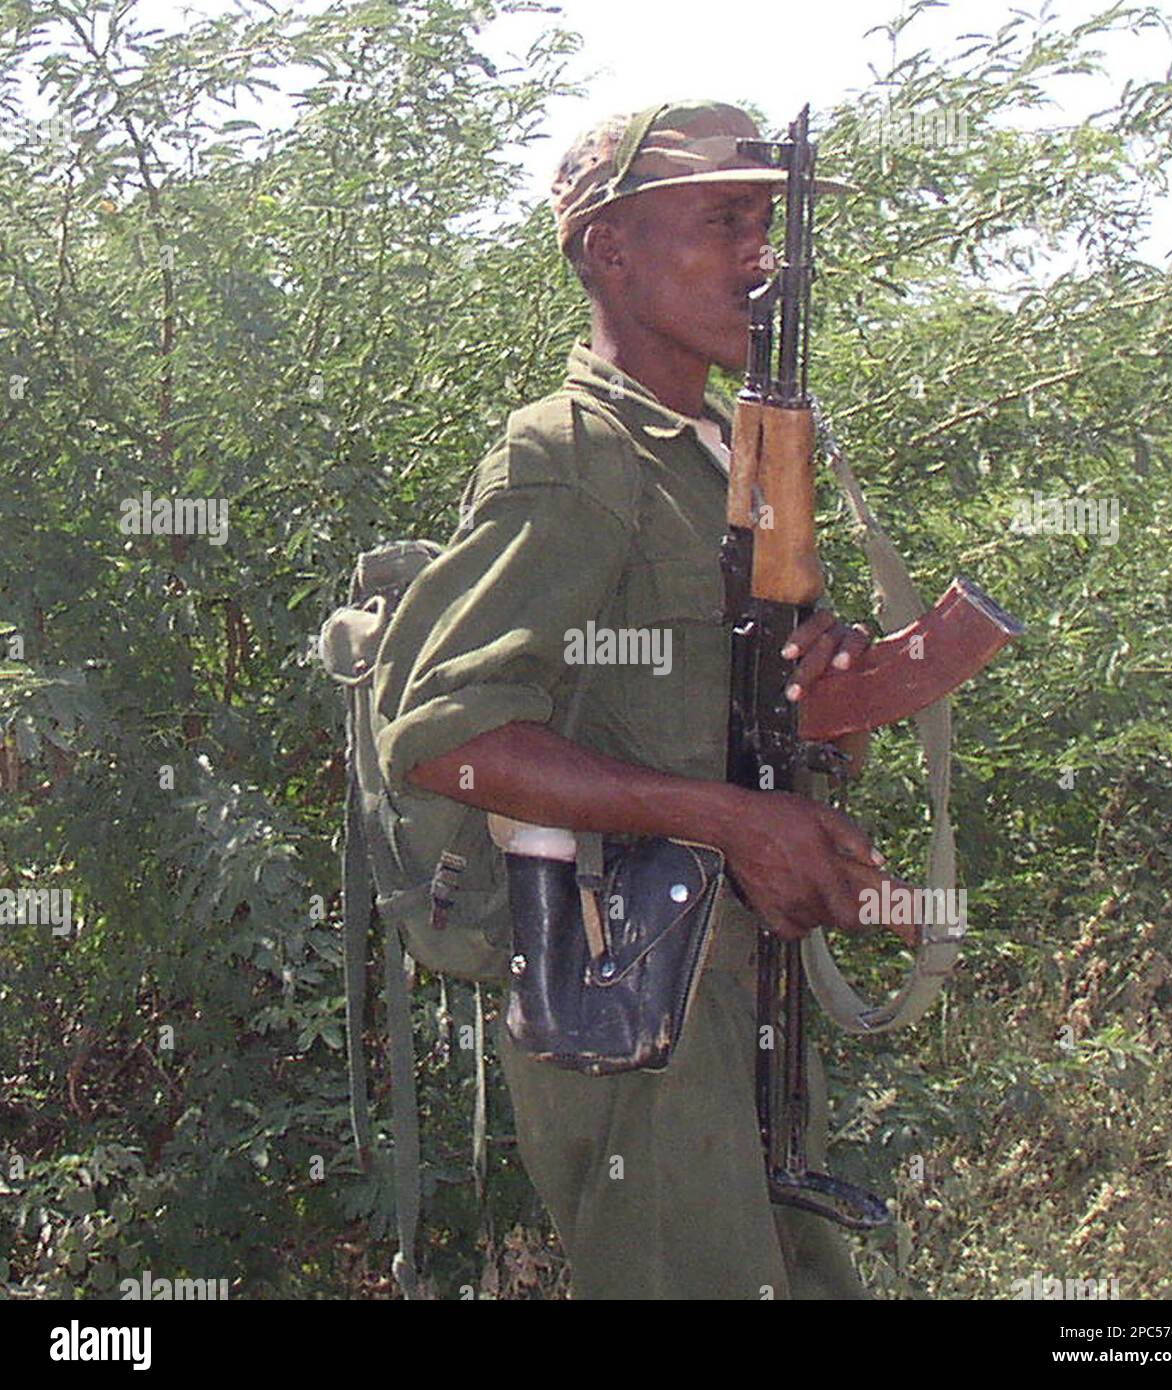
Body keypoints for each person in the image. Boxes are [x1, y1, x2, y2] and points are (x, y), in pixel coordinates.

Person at [373, 100, 907, 1299]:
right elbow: (445, 743)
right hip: (630, 995)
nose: (758, 252)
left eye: (766, 221)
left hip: (742, 984)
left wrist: (828, 690)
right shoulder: (569, 454)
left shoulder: (724, 451)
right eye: (723, 219)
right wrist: (729, 820)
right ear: (607, 250)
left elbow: (737, 724)